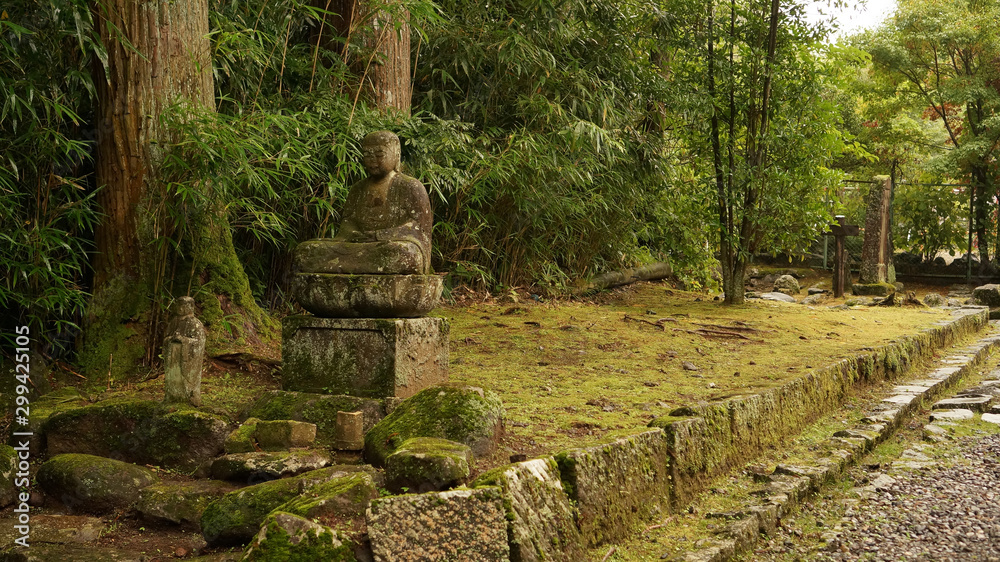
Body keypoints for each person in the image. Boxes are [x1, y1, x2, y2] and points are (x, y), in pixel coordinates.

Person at [294, 130, 432, 275]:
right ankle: (357, 264)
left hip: (389, 245)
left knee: (403, 253)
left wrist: (380, 235)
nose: (372, 160)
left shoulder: (410, 186)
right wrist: (353, 234)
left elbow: (417, 228)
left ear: (396, 154)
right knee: (307, 250)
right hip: (359, 246)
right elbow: (347, 223)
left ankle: (348, 265)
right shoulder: (357, 189)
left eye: (379, 155)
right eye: (367, 155)